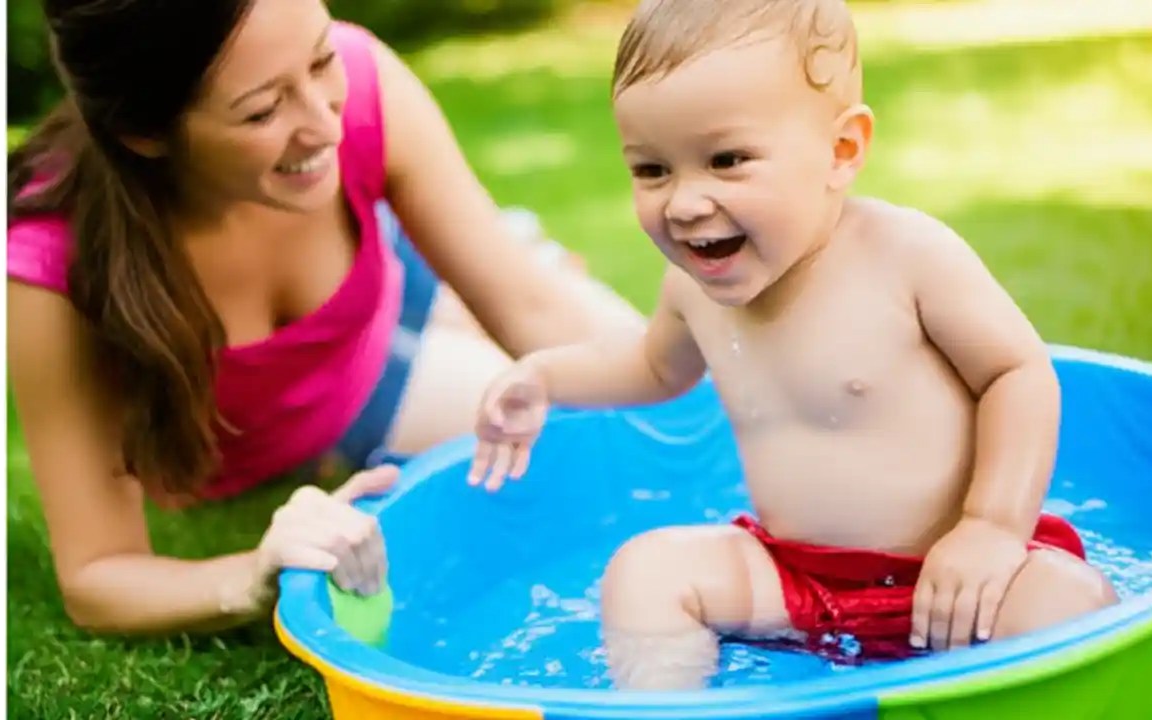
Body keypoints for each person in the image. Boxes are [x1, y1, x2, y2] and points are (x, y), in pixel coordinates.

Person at [469, 0, 1118, 691]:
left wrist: (990, 527)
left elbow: (1017, 374)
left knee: (1071, 602)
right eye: (652, 170)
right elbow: (652, 366)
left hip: (949, 575)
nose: (685, 202)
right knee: (644, 571)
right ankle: (668, 710)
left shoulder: (907, 257)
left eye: (727, 160)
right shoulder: (692, 290)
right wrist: (545, 376)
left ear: (841, 152)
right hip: (796, 578)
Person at [5, 0, 644, 635]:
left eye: (320, 59)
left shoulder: (364, 82)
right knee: (561, 451)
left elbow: (530, 310)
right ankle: (477, 279)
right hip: (351, 392)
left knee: (647, 370)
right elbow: (98, 576)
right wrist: (253, 571)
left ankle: (469, 271)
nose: (326, 125)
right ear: (146, 132)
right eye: (262, 110)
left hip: (391, 263)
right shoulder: (54, 262)